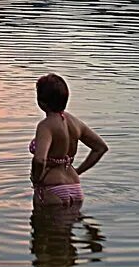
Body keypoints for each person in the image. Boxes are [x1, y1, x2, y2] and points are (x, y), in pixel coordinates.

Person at [30, 73, 108, 207]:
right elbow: (100, 148)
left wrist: (36, 180)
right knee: (68, 227)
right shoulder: (74, 122)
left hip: (52, 188)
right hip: (75, 187)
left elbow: (39, 159)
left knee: (43, 227)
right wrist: (78, 171)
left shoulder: (46, 126)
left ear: (41, 102)